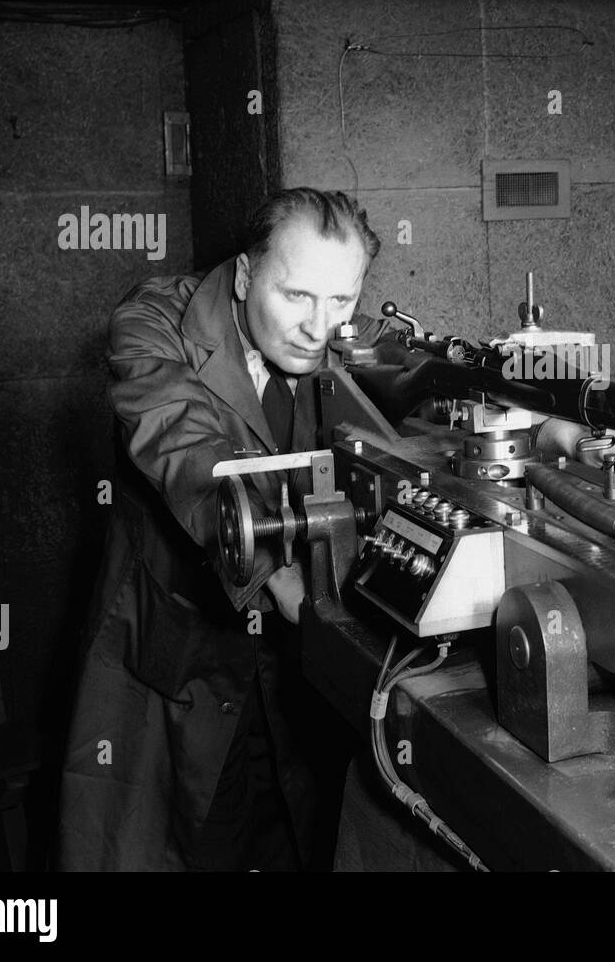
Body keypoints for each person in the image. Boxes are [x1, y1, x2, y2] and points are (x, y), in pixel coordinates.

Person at [58, 188, 391, 870]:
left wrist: (546, 422)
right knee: (181, 841)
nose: (318, 327)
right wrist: (282, 573)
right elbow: (191, 450)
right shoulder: (152, 324)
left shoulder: (346, 338)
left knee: (301, 838)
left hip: (294, 678)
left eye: (341, 301)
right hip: (185, 656)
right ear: (244, 276)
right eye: (295, 296)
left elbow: (426, 388)